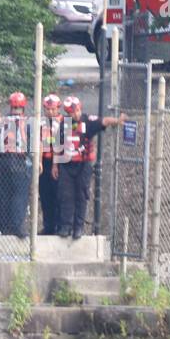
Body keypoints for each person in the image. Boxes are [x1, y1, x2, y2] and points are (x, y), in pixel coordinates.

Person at [53, 96, 127, 240]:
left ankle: (78, 227)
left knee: (81, 195)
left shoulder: (87, 121)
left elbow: (104, 121)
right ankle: (65, 226)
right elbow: (57, 146)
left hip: (83, 164)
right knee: (66, 196)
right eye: (71, 113)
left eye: (77, 111)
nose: (75, 114)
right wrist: (55, 165)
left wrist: (117, 121)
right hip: (66, 165)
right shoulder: (62, 124)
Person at [0, 92, 31, 236]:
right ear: (23, 107)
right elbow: (31, 144)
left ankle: (4, 227)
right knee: (20, 195)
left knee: (4, 195)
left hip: (2, 162)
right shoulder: (27, 123)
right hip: (19, 161)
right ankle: (16, 227)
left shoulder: (0, 122)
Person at [37, 93, 62, 235]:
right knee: (45, 195)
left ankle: (60, 226)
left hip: (59, 162)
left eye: (53, 109)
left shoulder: (64, 122)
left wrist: (55, 165)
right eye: (47, 109)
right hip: (45, 162)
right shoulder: (41, 123)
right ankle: (49, 227)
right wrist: (39, 161)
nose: (50, 112)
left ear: (58, 108)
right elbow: (40, 142)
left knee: (58, 195)